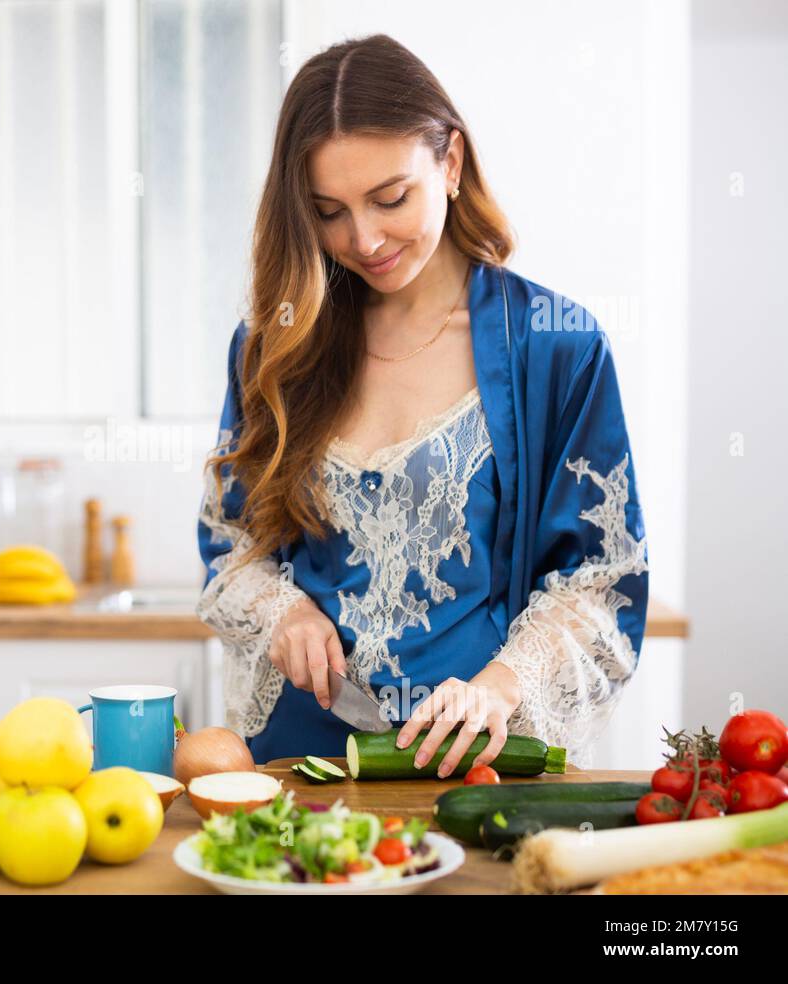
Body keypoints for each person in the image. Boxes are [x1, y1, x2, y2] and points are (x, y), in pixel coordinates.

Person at [196, 34, 648, 774]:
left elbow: (602, 578)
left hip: (475, 763)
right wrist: (283, 611)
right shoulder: (269, 346)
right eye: (328, 211)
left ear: (451, 162)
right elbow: (231, 543)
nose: (364, 239)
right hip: (294, 768)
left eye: (390, 198)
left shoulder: (556, 346)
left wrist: (498, 689)